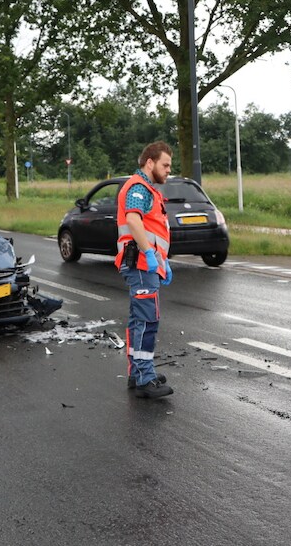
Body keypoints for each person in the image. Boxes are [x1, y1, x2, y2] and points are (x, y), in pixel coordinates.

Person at [115, 142, 175, 399]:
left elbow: (154, 230)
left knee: (139, 319)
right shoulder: (138, 187)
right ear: (149, 163)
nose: (168, 170)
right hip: (140, 264)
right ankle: (144, 378)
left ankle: (138, 372)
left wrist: (163, 260)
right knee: (147, 319)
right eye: (165, 165)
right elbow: (132, 219)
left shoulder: (148, 189)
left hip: (146, 264)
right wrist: (149, 254)